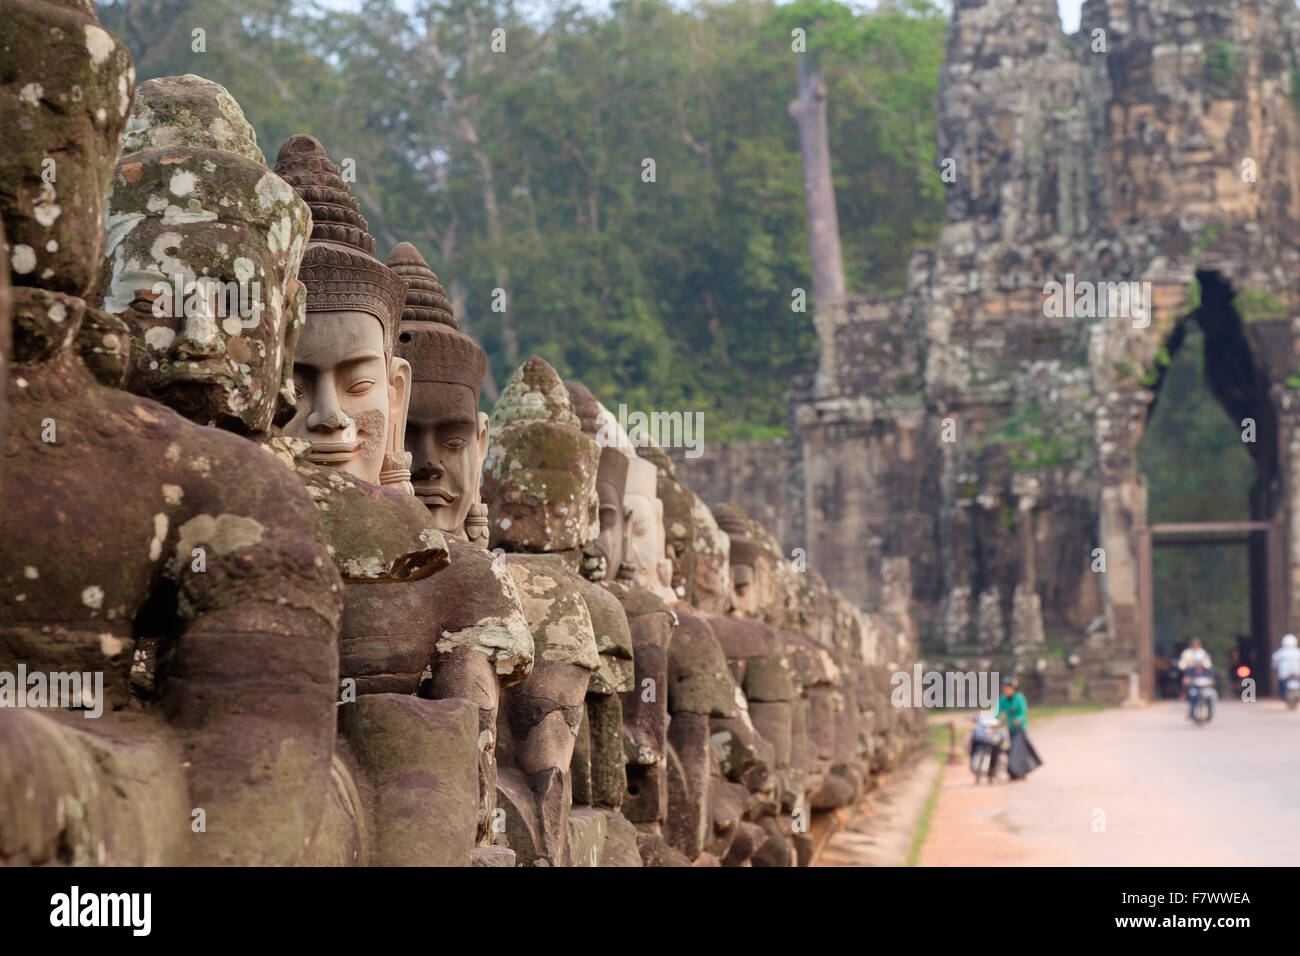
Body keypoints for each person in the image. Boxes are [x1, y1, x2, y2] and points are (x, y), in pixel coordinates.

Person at [997, 676, 1041, 780]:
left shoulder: (1019, 698)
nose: (1005, 690)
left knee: (1018, 752)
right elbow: (997, 712)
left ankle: (1020, 772)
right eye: (1004, 688)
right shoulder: (1002, 699)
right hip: (1011, 729)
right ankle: (1014, 773)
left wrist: (1018, 719)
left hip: (1020, 729)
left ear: (1013, 688)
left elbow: (1023, 713)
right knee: (1012, 751)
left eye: (1008, 688)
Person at [1179, 638, 1215, 720]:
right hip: (1191, 677)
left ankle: (1210, 713)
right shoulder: (1187, 653)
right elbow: (1182, 665)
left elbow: (1209, 668)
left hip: (1203, 682)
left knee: (1212, 695)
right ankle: (1190, 711)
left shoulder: (1203, 653)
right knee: (1190, 692)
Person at [1272, 634, 1300, 702]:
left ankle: (1282, 695)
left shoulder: (1280, 652)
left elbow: (1274, 662)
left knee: (1282, 686)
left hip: (1284, 674)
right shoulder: (1298, 652)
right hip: (1296, 673)